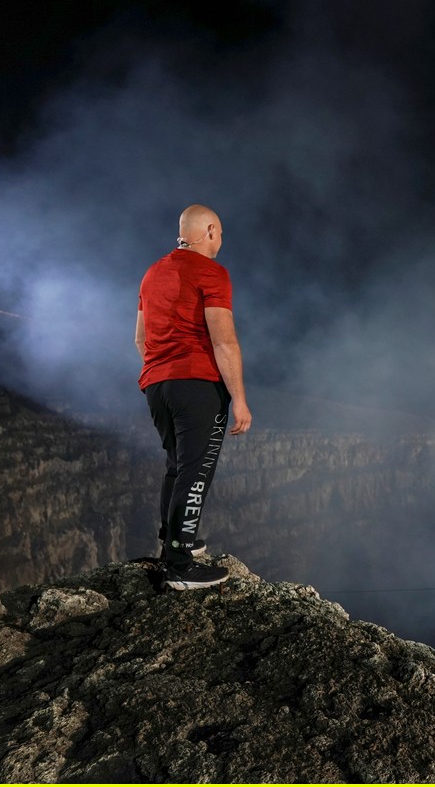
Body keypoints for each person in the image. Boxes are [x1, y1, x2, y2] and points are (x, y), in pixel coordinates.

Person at [135, 204, 252, 590]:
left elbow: (140, 339)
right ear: (211, 231)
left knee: (178, 464)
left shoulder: (153, 273)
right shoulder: (212, 273)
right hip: (198, 385)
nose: (222, 240)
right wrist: (238, 398)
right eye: (221, 234)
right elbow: (224, 340)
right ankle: (180, 565)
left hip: (156, 384)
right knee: (197, 470)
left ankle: (175, 540)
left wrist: (162, 371)